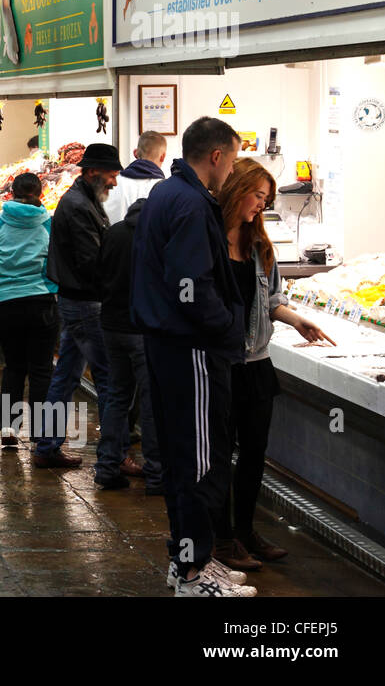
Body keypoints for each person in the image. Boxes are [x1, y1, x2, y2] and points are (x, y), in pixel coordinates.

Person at [133, 116, 254, 597]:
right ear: (218, 156)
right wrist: (225, 327)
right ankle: (194, 573)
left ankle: (189, 561)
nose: (232, 173)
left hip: (168, 346)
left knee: (186, 459)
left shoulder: (166, 192)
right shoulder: (189, 202)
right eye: (233, 159)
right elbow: (190, 286)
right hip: (192, 349)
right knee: (202, 462)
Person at [212, 159, 333, 572]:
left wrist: (298, 320)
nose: (261, 206)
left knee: (254, 453)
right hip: (220, 365)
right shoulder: (208, 239)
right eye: (258, 196)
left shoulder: (260, 245)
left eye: (267, 199)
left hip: (257, 366)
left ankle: (246, 532)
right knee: (218, 455)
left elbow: (272, 300)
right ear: (237, 189)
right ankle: (221, 538)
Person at [34, 143, 122, 469]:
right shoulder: (79, 206)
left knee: (66, 376)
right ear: (92, 172)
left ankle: (47, 446)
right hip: (86, 304)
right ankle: (113, 458)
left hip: (76, 302)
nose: (114, 182)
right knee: (111, 381)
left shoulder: (82, 201)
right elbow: (92, 261)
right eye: (111, 175)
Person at [0, 172, 57, 448]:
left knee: (14, 366)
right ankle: (40, 432)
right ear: (41, 193)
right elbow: (57, 263)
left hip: (5, 304)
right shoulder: (48, 224)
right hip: (42, 301)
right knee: (41, 369)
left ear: (10, 194)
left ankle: (9, 430)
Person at [98, 195, 163, 493]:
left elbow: (99, 275)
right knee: (151, 402)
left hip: (111, 325)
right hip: (141, 329)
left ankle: (107, 466)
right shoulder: (155, 236)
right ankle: (156, 473)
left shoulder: (113, 232)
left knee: (117, 396)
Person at [106, 131, 167, 224]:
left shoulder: (113, 183)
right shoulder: (164, 189)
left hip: (112, 237)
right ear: (162, 157)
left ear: (135, 153)